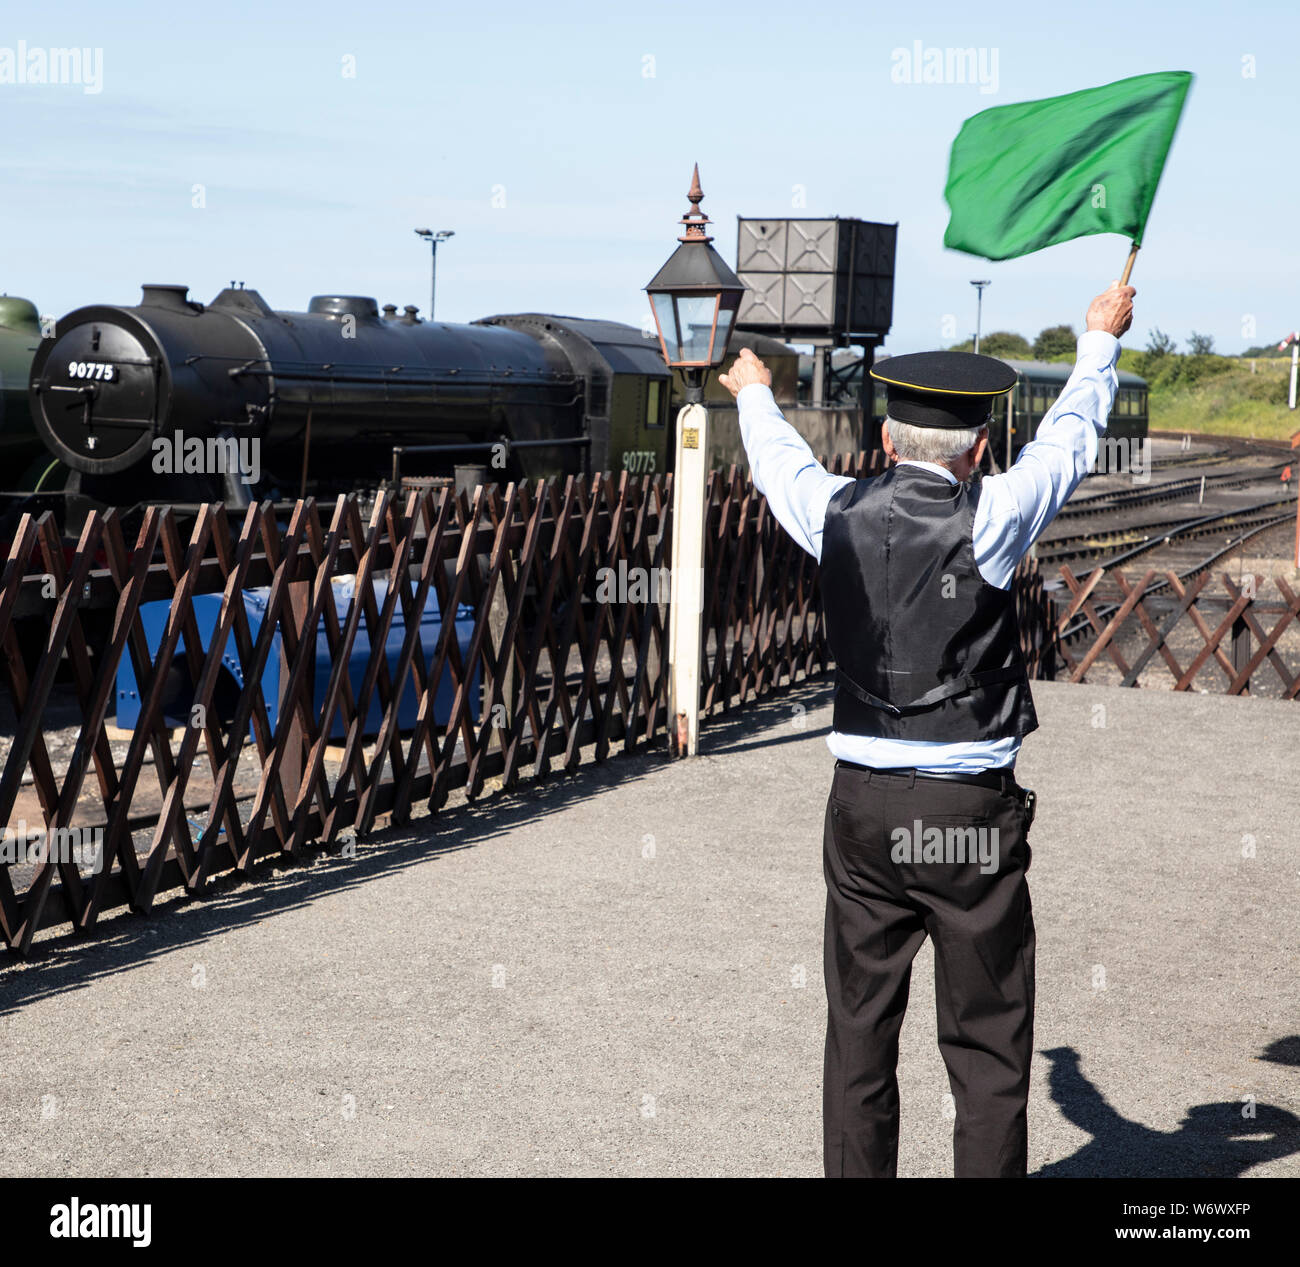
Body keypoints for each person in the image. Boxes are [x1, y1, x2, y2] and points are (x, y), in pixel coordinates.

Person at [718, 281, 1136, 1178]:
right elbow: (1065, 445)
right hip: (966, 813)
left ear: (883, 441)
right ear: (981, 446)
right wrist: (1096, 342)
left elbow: (778, 463)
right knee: (986, 1043)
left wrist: (753, 388)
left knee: (858, 1031)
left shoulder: (833, 511)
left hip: (861, 808)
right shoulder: (991, 515)